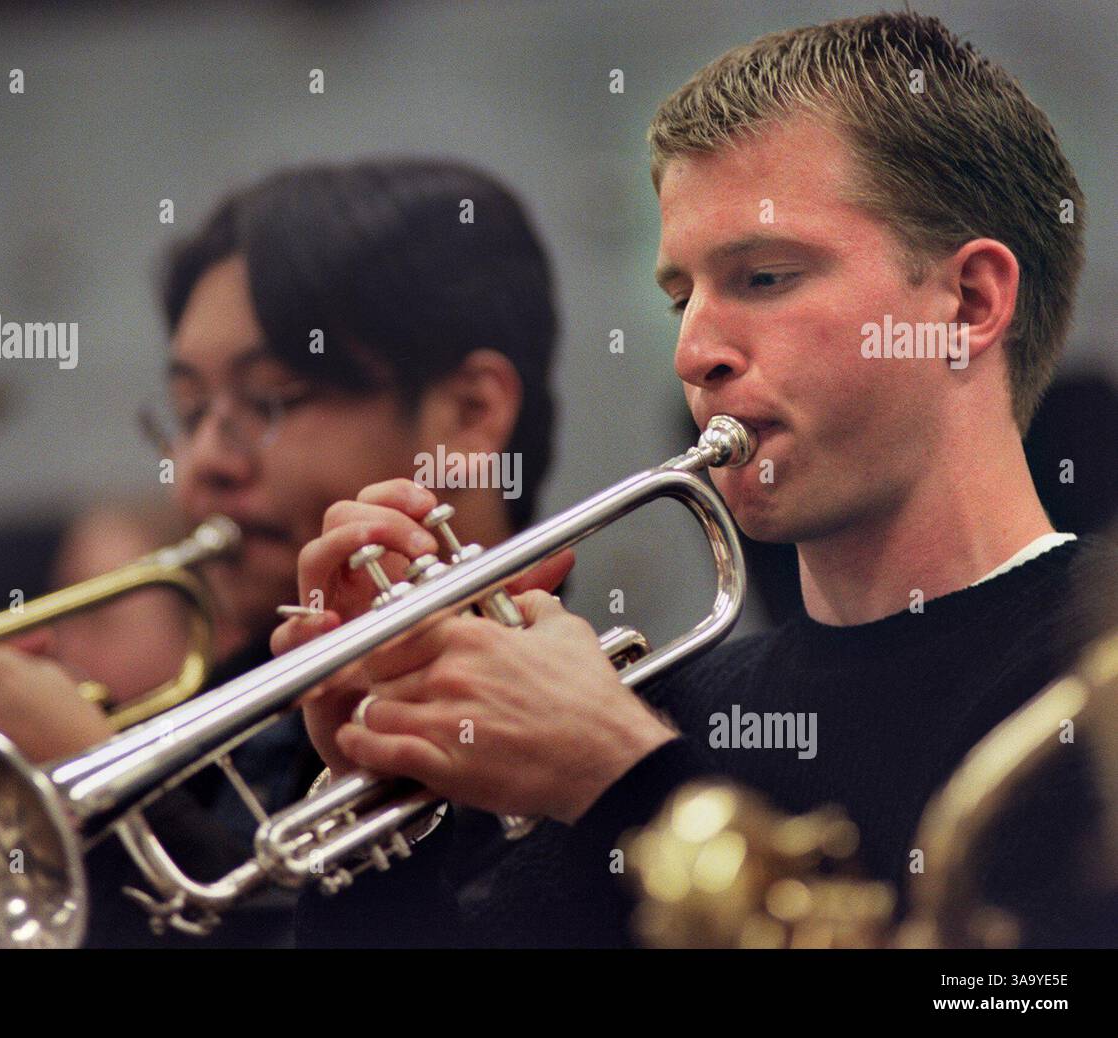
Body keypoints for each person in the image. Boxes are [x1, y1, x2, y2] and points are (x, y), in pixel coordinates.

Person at [275, 12, 1113, 947]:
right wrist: (381, 805)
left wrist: (623, 787)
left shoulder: (1089, 694)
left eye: (763, 277)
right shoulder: (676, 706)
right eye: (681, 298)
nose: (692, 350)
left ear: (967, 303)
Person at [0, 158, 561, 945]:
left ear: (471, 411)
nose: (205, 459)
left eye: (271, 401)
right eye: (187, 411)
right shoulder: (217, 726)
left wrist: (106, 800)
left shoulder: (573, 758)